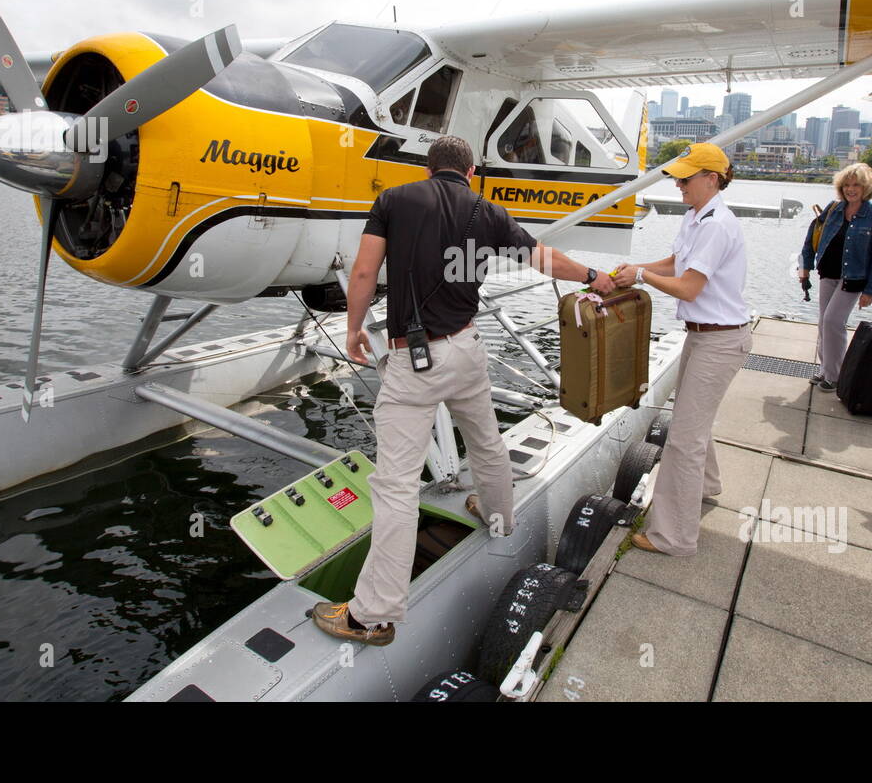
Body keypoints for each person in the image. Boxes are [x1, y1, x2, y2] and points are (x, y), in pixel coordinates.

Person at [312, 135, 615, 645]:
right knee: (487, 442)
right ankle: (499, 519)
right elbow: (543, 259)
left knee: (395, 485)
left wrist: (353, 327)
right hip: (468, 347)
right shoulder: (488, 211)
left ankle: (373, 615)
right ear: (470, 172)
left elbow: (364, 270)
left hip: (415, 357)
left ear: (430, 170)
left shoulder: (393, 200)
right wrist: (594, 276)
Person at [612, 143, 750, 556]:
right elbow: (677, 263)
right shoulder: (697, 217)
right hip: (706, 335)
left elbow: (689, 286)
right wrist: (639, 269)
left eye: (686, 178)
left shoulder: (716, 225)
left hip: (720, 339)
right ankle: (706, 487)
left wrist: (640, 276)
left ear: (712, 179)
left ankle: (673, 537)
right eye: (678, 177)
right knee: (694, 423)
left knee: (683, 440)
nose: (678, 184)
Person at [796, 163, 872, 391]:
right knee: (823, 322)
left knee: (833, 322)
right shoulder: (834, 209)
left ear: (866, 187)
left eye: (856, 184)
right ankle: (825, 369)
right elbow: (812, 238)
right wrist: (805, 266)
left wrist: (871, 291)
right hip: (827, 273)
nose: (851, 189)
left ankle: (834, 375)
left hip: (853, 279)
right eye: (846, 184)